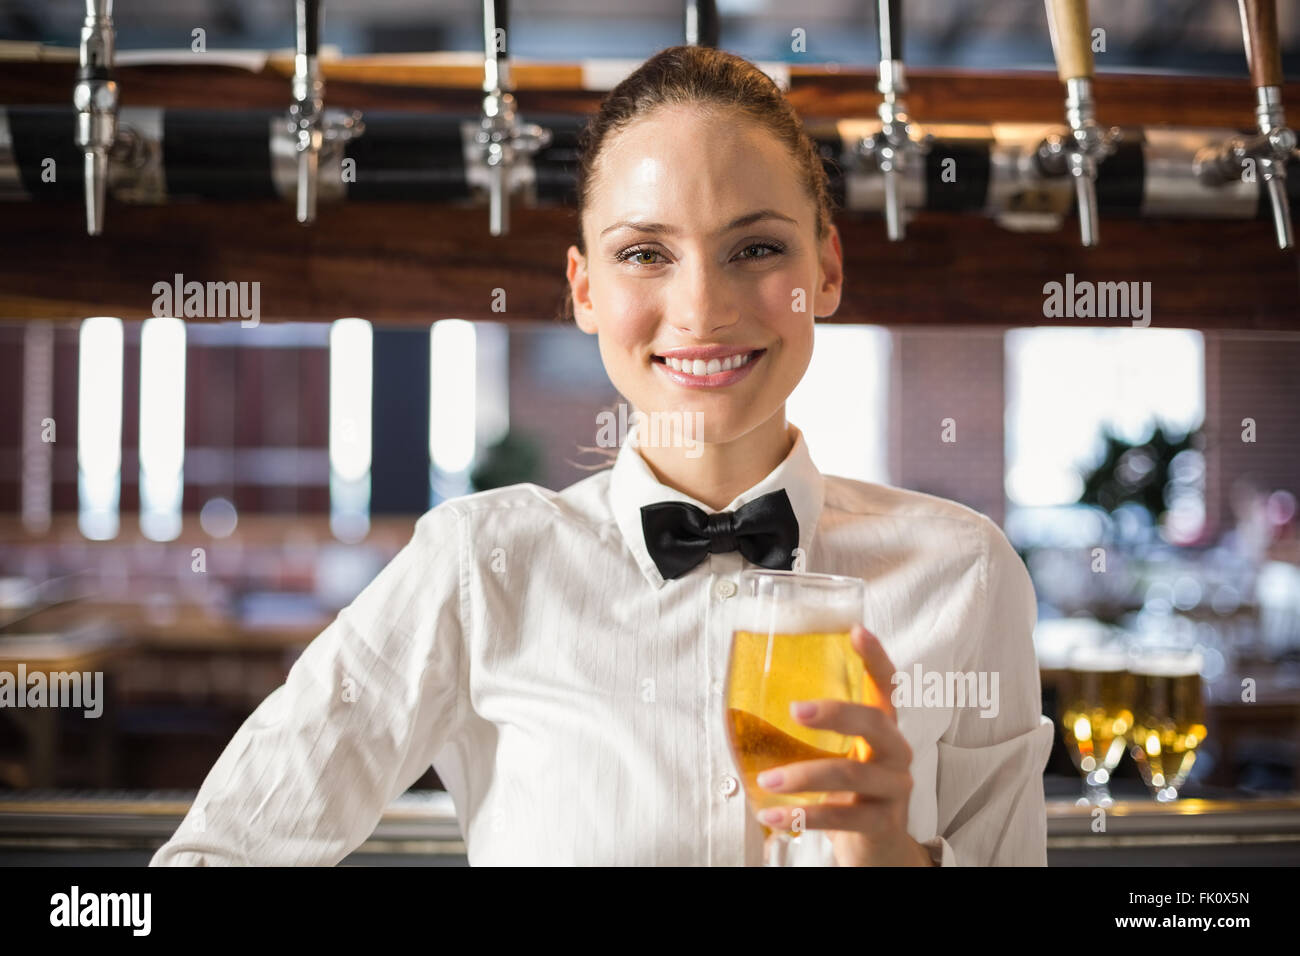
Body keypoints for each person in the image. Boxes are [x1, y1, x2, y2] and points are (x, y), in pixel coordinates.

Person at [151, 44, 1052, 867]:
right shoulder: (477, 567)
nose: (701, 310)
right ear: (584, 288)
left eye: (757, 247)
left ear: (827, 271)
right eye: (645, 253)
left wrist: (890, 855)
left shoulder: (966, 575)